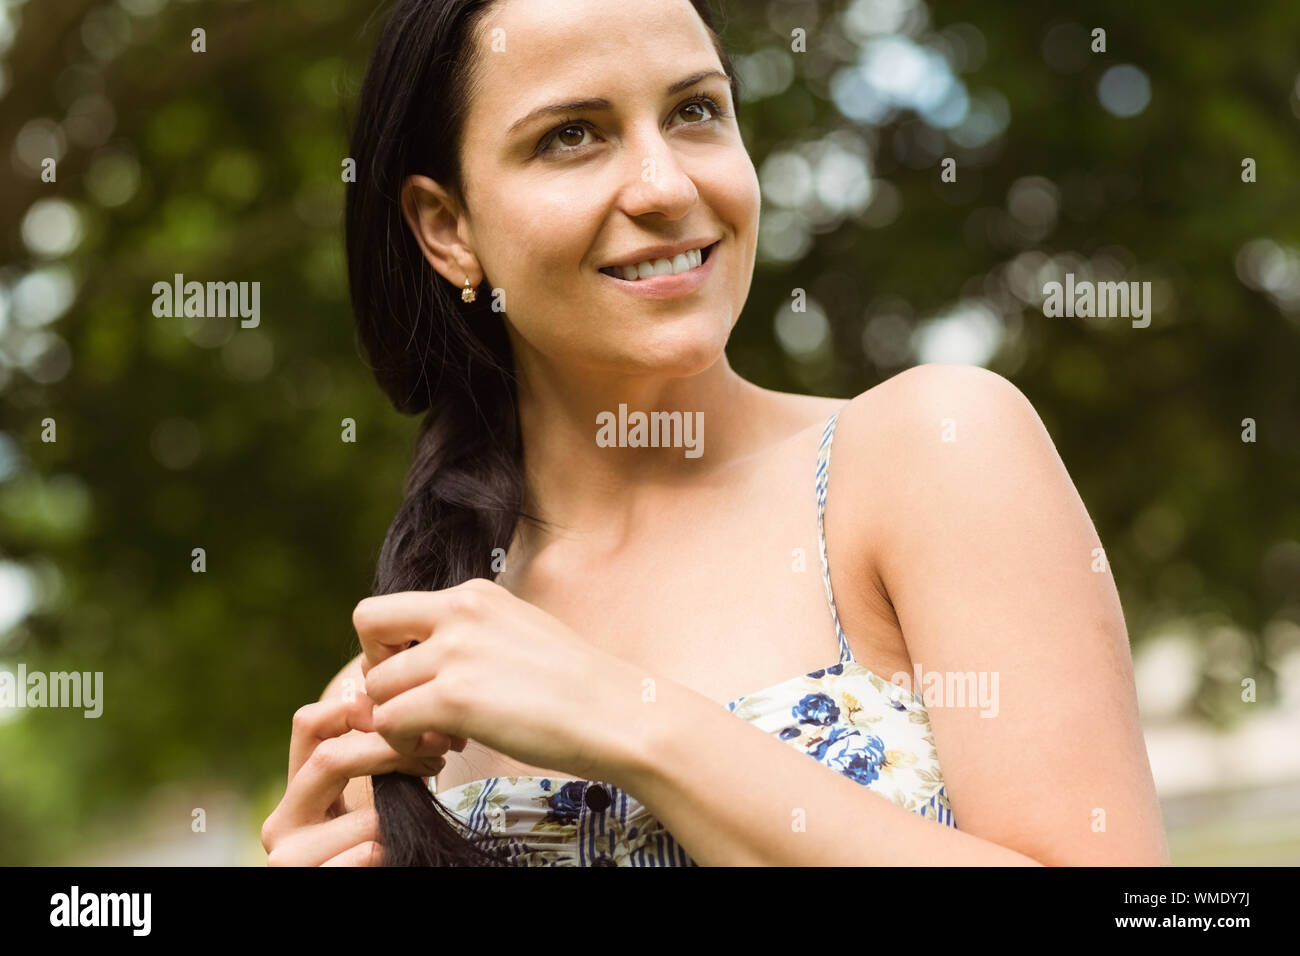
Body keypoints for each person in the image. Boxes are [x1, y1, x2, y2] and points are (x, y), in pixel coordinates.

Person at [260, 0, 1170, 866]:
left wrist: (633, 719)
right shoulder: (417, 683)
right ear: (448, 228)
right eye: (571, 135)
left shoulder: (931, 453)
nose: (666, 186)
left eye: (695, 110)